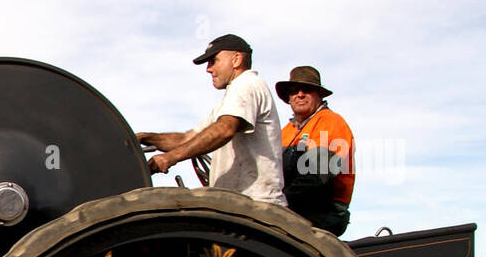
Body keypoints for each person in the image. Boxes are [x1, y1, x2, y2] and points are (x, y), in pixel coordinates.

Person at [138, 34, 285, 206]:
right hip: (239, 203)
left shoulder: (247, 84)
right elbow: (187, 139)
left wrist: (170, 157)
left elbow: (225, 130)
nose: (208, 69)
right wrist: (144, 138)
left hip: (255, 204)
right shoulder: (229, 101)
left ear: (236, 59)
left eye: (213, 61)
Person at [277, 65, 355, 235]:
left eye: (307, 89)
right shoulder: (285, 131)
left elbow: (318, 176)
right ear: (288, 98)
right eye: (294, 90)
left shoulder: (331, 122)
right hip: (293, 206)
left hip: (324, 211)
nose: (300, 94)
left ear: (319, 94)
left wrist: (279, 202)